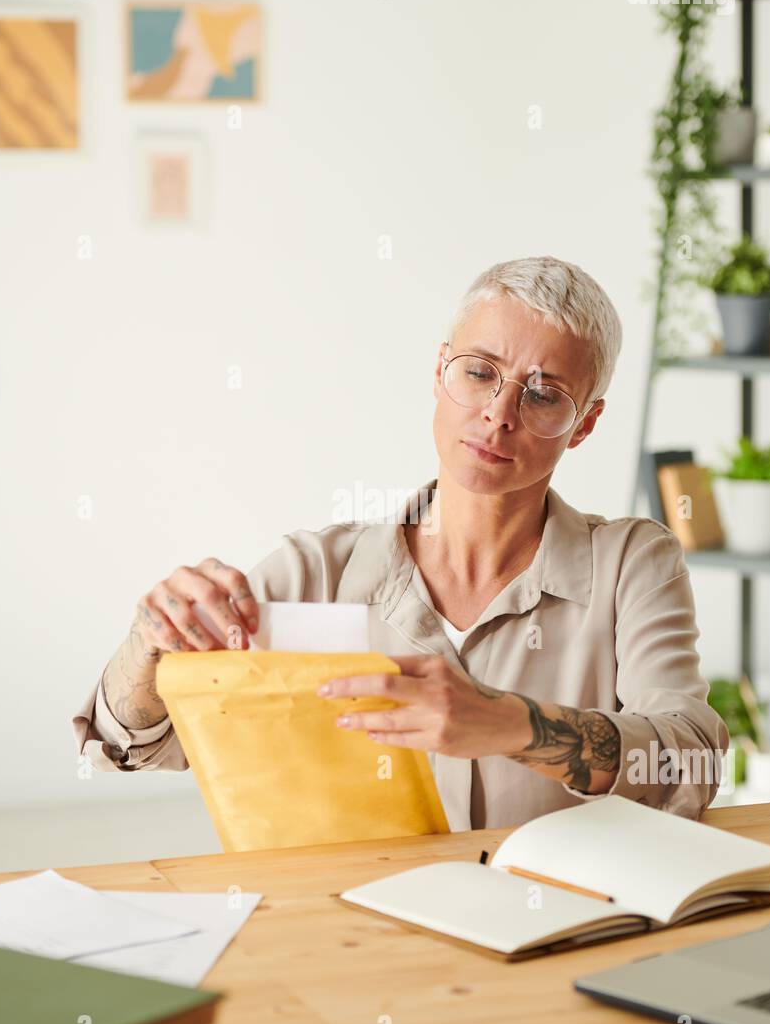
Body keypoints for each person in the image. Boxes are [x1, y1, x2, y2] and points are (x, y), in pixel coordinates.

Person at [72, 255, 729, 829]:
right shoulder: (315, 574)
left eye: (544, 394)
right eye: (480, 373)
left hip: (561, 937)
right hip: (361, 939)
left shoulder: (631, 564)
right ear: (442, 369)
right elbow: (136, 742)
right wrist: (149, 643)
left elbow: (692, 760)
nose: (499, 413)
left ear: (584, 424)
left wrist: (511, 724)